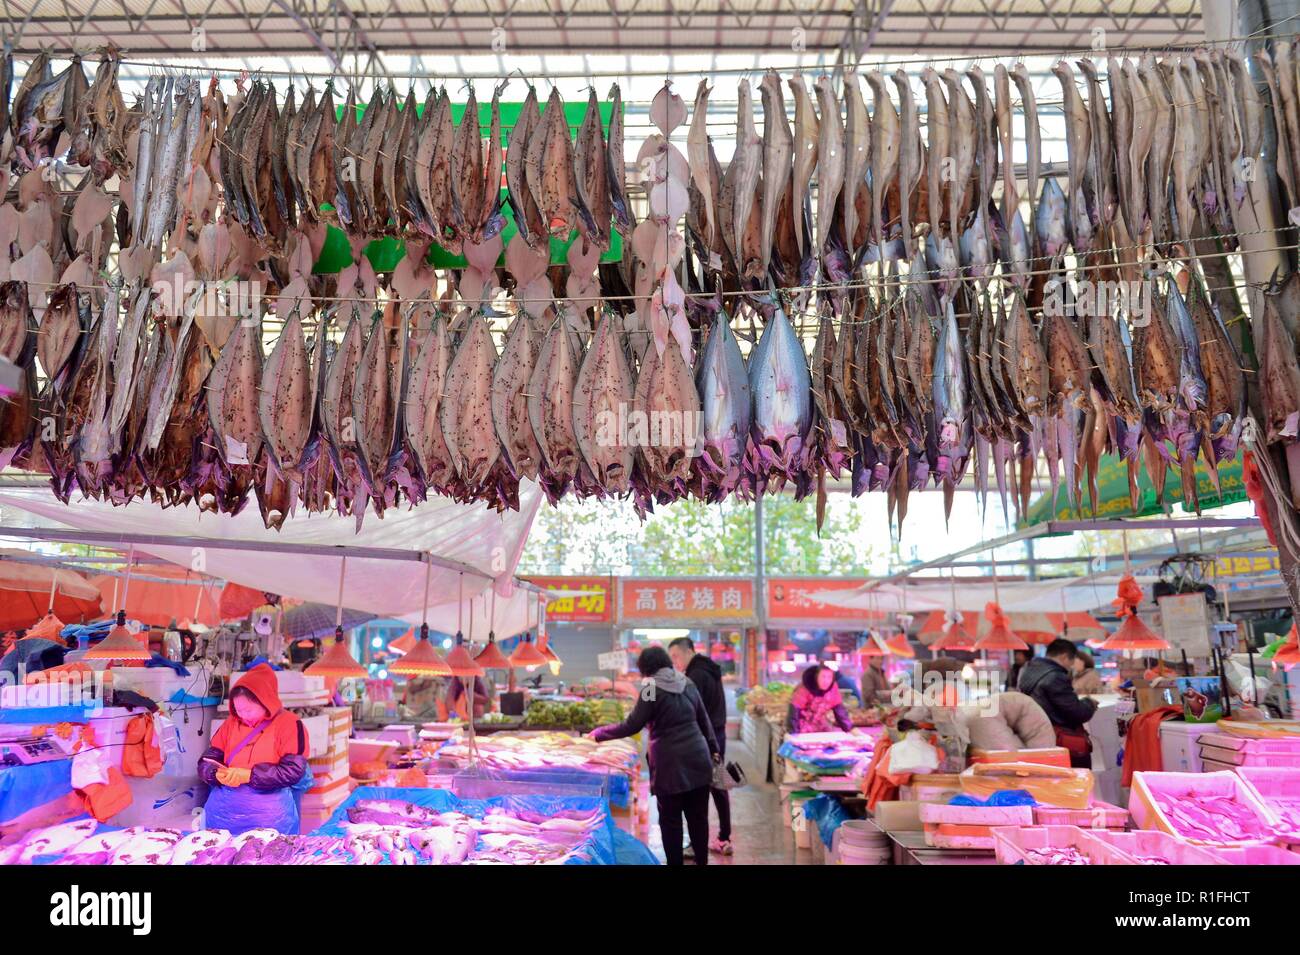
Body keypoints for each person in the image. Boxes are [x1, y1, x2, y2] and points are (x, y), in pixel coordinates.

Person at [590, 645, 720, 866]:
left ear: (645, 668)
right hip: (698, 759)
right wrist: (714, 751)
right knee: (698, 818)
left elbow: (634, 724)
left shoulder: (650, 685)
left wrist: (600, 733)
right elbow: (704, 721)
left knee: (671, 821)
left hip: (671, 764)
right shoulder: (686, 682)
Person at [199, 663, 310, 834]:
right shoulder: (231, 723)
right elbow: (208, 760)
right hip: (224, 813)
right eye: (238, 710)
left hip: (270, 818)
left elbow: (293, 771)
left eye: (248, 710)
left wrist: (250, 775)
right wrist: (215, 773)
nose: (242, 715)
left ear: (266, 703)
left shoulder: (290, 724)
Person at [668, 636, 731, 855]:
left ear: (688, 652)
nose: (674, 661)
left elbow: (693, 711)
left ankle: (700, 844)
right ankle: (724, 836)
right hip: (716, 734)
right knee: (717, 784)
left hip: (705, 738)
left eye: (676, 656)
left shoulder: (696, 675)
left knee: (700, 792)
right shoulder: (708, 669)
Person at [1017, 638, 1099, 768]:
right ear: (1064, 657)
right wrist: (1089, 703)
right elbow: (1077, 712)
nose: (1071, 666)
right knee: (1075, 782)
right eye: (1071, 662)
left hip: (1036, 739)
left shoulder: (1028, 671)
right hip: (1059, 741)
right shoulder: (1055, 677)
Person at [787, 664, 853, 734]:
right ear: (816, 677)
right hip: (801, 726)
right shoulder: (804, 688)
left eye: (829, 677)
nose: (826, 681)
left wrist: (850, 729)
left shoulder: (833, 688)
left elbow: (840, 711)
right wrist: (793, 732)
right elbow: (794, 712)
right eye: (823, 677)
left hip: (820, 725)